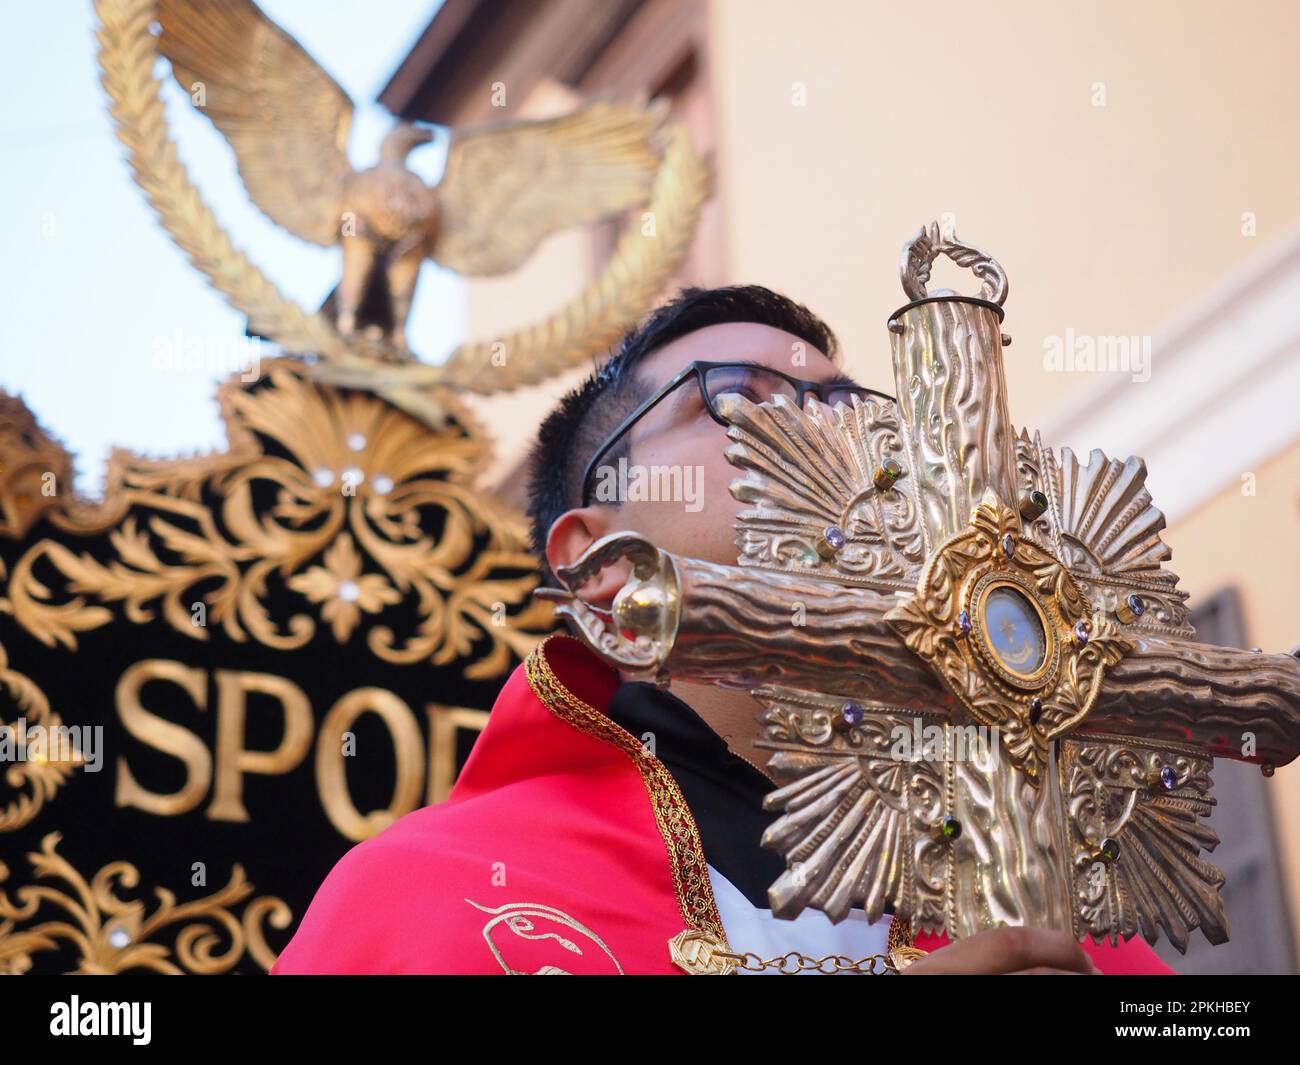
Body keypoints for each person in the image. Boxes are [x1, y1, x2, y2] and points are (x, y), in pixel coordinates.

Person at [272, 285, 1172, 975]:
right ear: (604, 568)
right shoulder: (420, 900)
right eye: (736, 398)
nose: (830, 435)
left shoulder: (1045, 894)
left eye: (852, 406)